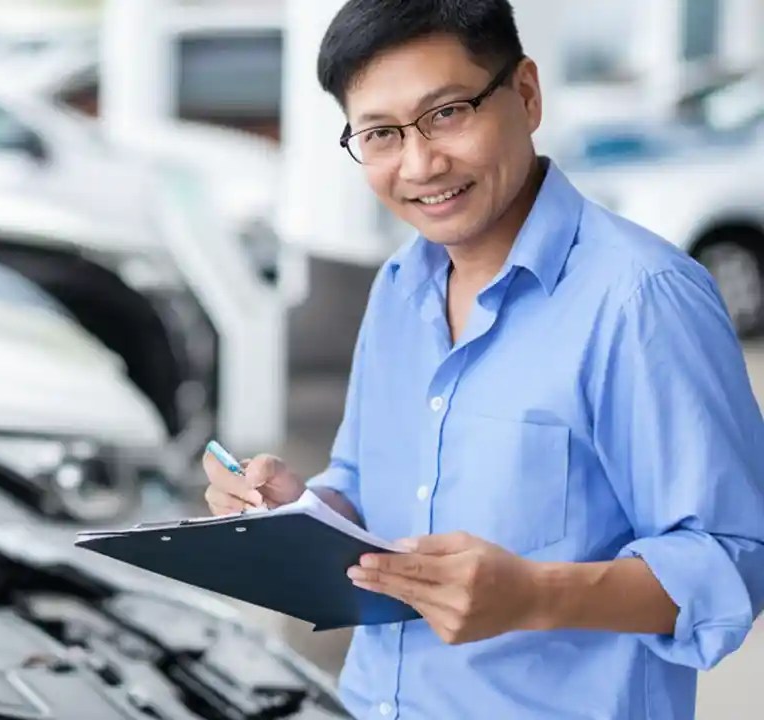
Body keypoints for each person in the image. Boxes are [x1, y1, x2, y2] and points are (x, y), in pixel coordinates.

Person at [201, 1, 764, 718]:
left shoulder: (641, 300)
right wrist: (300, 511)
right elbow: (369, 484)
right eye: (380, 133)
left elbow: (732, 562)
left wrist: (533, 596)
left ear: (526, 95)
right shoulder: (400, 288)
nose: (421, 163)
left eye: (448, 113)